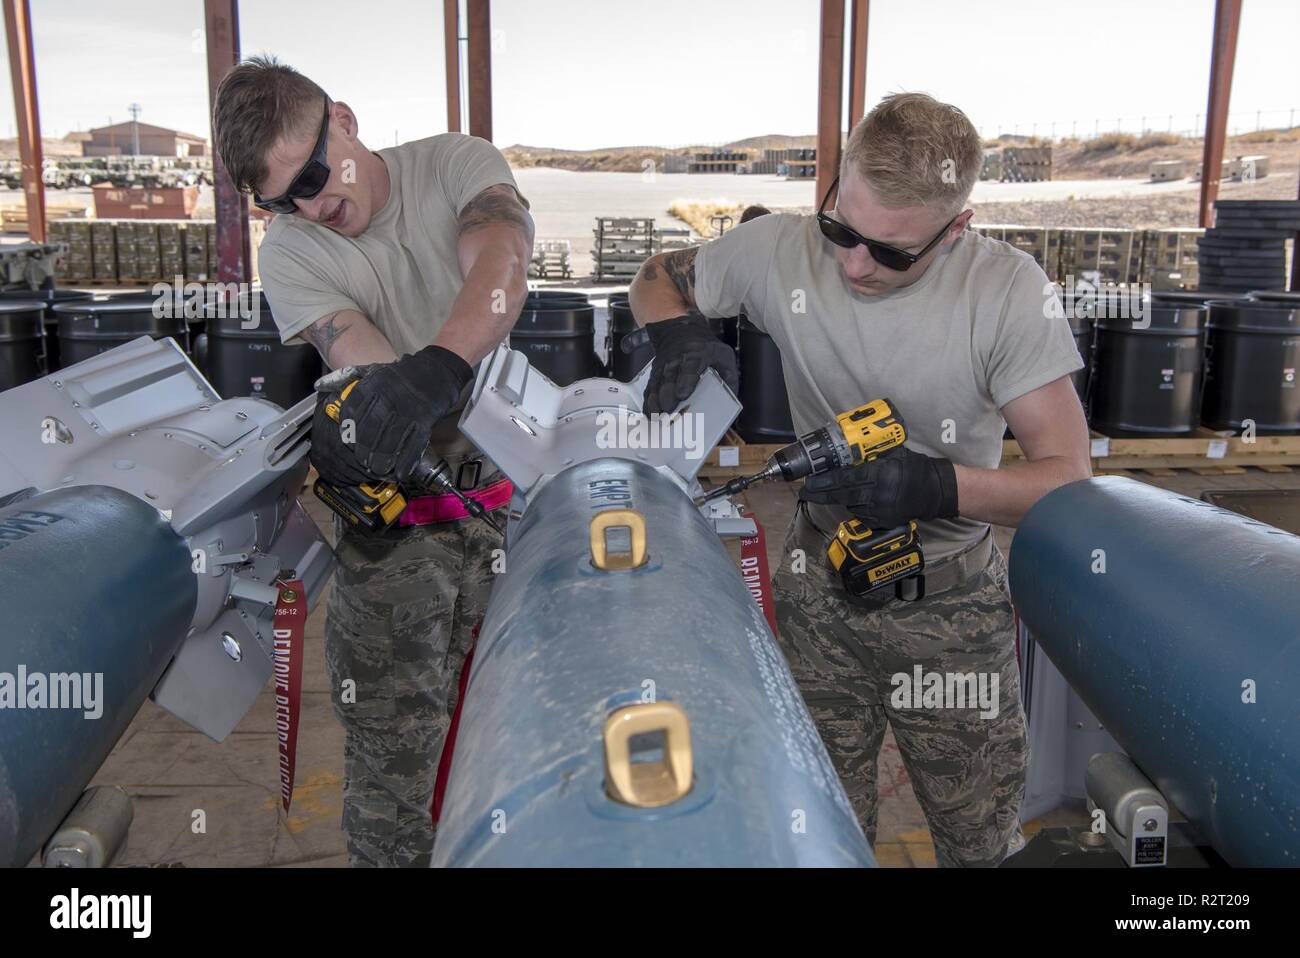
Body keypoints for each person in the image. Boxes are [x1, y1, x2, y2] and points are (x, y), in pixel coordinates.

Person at [628, 92, 1091, 866]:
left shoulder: (1007, 293)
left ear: (956, 229)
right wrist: (676, 332)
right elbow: (655, 275)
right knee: (814, 829)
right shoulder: (778, 249)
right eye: (841, 228)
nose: (852, 264)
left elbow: (1068, 481)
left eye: (891, 252)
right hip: (817, 589)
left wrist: (937, 487)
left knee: (979, 838)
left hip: (949, 607)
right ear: (835, 184)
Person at [213, 55, 534, 866]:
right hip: (399, 531)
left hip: (509, 500)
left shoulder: (455, 163)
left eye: (316, 175)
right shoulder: (291, 252)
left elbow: (500, 256)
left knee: (518, 734)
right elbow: (363, 360)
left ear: (346, 120)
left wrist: (439, 369)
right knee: (394, 759)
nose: (313, 207)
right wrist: (394, 391)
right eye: (282, 199)